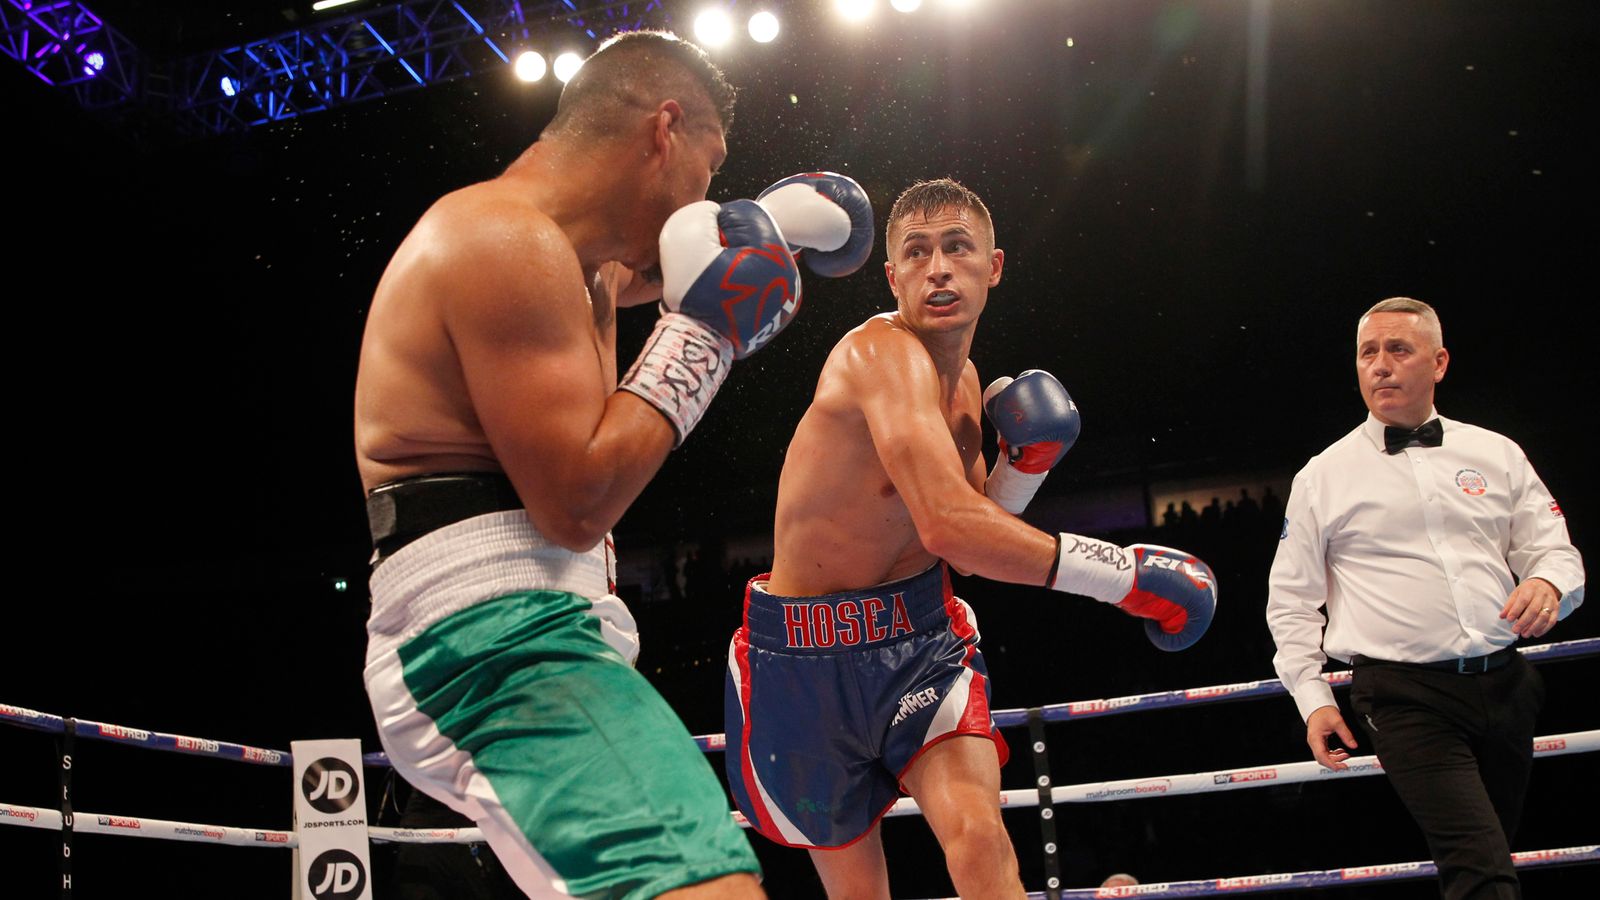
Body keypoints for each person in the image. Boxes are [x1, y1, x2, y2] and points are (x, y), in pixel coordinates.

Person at [354, 30, 873, 898]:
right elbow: (577, 501)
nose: (702, 201)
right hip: (494, 638)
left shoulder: (580, 266)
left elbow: (682, 259)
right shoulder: (501, 241)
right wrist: (706, 334)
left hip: (530, 624)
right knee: (707, 886)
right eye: (705, 174)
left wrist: (775, 219)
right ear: (663, 131)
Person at [723, 179, 1218, 899]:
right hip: (803, 656)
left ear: (995, 266)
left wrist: (1024, 469)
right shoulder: (878, 354)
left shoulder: (965, 383)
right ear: (893, 278)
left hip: (920, 638)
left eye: (958, 247)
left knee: (982, 839)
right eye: (917, 253)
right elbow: (948, 523)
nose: (939, 268)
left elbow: (966, 540)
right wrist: (1124, 574)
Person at [1266, 297, 1585, 899]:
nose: (1381, 365)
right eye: (1368, 353)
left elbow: (1557, 553)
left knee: (1493, 855)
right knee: (1480, 867)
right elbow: (1290, 600)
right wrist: (1312, 699)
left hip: (1508, 685)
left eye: (1398, 349)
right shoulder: (1324, 476)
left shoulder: (1497, 453)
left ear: (1438, 363)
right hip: (1404, 698)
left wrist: (1548, 585)